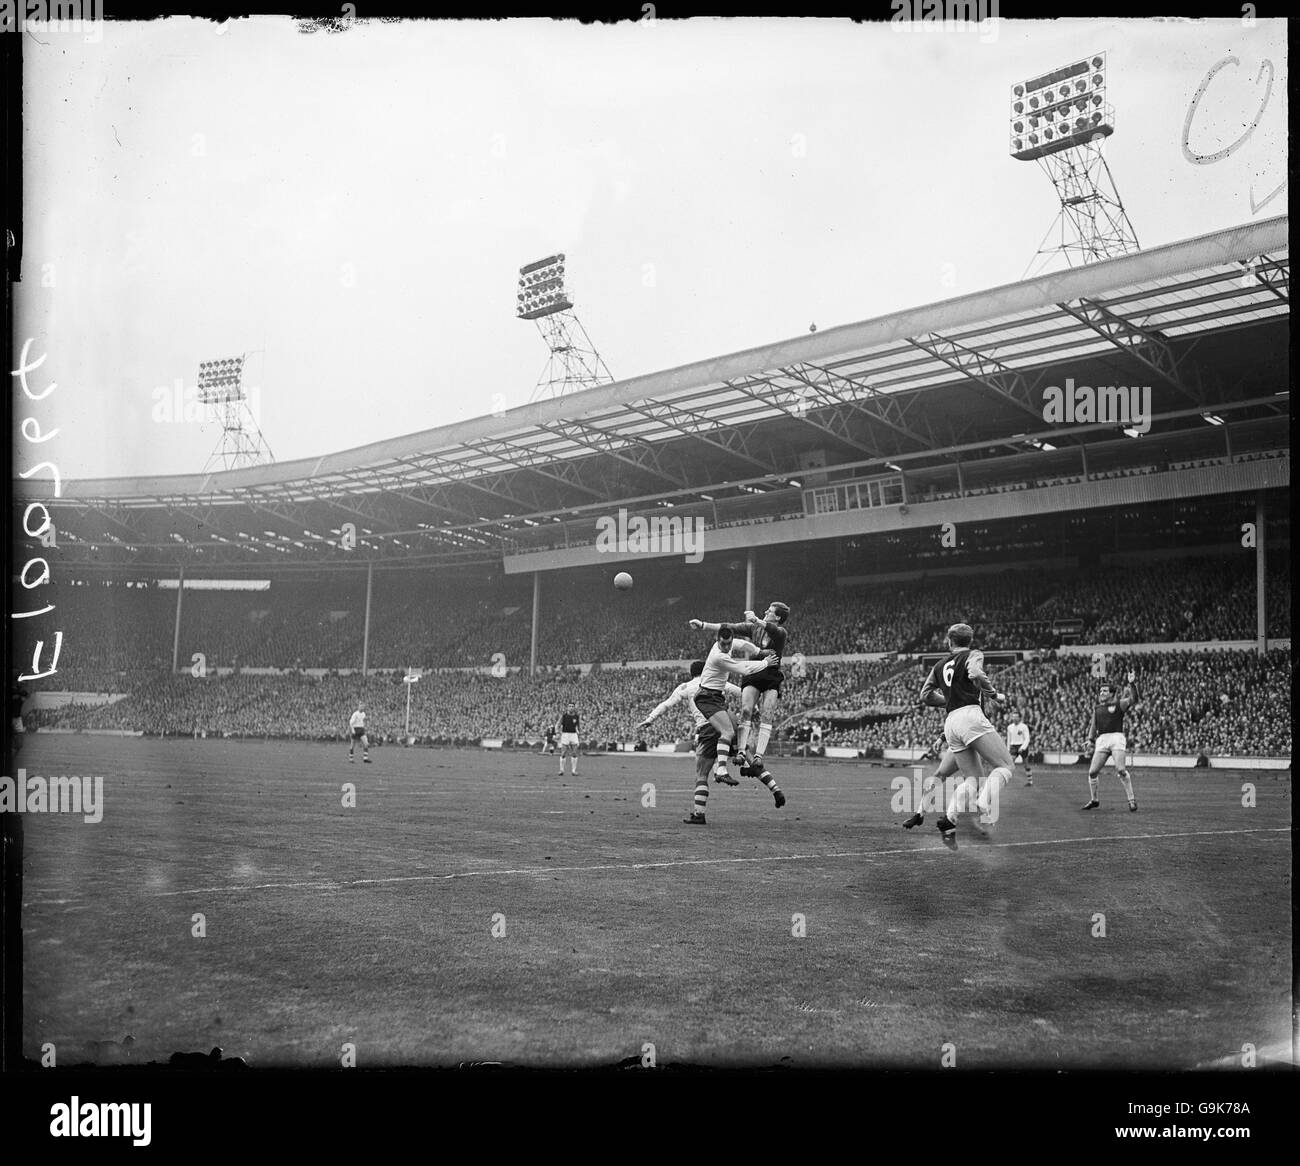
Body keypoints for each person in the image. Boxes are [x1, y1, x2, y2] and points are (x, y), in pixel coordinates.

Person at [917, 623, 1016, 850]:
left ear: (948, 641)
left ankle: (950, 819)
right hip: (970, 716)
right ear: (970, 641)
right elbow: (976, 673)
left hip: (951, 722)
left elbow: (925, 695)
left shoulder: (939, 665)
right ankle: (983, 803)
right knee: (1006, 766)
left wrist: (948, 700)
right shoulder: (974, 654)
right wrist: (993, 694)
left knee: (973, 778)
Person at [685, 625, 784, 824]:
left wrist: (758, 651)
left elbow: (744, 644)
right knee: (743, 748)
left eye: (728, 642)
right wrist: (764, 660)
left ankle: (700, 810)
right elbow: (743, 670)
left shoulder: (686, 687)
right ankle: (774, 788)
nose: (726, 645)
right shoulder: (719, 658)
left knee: (702, 772)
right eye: (723, 643)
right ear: (717, 641)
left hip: (708, 723)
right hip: (716, 705)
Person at [690, 601, 790, 779]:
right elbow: (728, 626)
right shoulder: (753, 628)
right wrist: (704, 625)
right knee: (746, 711)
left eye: (770, 610)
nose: (766, 610)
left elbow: (773, 630)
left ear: (778, 617)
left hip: (771, 674)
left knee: (767, 712)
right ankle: (742, 752)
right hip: (754, 672)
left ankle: (758, 756)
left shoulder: (781, 632)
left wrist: (757, 620)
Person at [1082, 671, 1139, 812]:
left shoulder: (1120, 704)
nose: (1101, 692)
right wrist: (1090, 740)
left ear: (1112, 693)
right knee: (1092, 772)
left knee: (1120, 769)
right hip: (1102, 740)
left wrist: (1132, 684)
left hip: (1116, 738)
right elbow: (1093, 725)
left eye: (1105, 691)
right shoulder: (1098, 708)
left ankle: (1131, 800)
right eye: (1101, 690)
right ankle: (1094, 800)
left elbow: (1134, 699)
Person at [1006, 710, 1033, 786]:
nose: (1014, 718)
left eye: (1016, 717)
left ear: (1020, 718)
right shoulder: (1009, 727)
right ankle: (1006, 780)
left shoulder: (1024, 727)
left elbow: (1027, 739)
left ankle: (1030, 782)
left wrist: (1023, 748)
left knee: (1026, 765)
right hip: (1013, 746)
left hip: (1022, 745)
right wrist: (1008, 749)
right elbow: (1009, 739)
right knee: (1010, 763)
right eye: (1013, 717)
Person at [556, 704, 581, 777]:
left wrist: (579, 732)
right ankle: (561, 770)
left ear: (574, 708)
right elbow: (558, 724)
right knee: (563, 753)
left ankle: (573, 771)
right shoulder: (564, 716)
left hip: (573, 735)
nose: (571, 708)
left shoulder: (576, 716)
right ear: (567, 707)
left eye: (572, 706)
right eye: (569, 706)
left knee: (574, 753)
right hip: (565, 735)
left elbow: (578, 726)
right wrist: (557, 732)